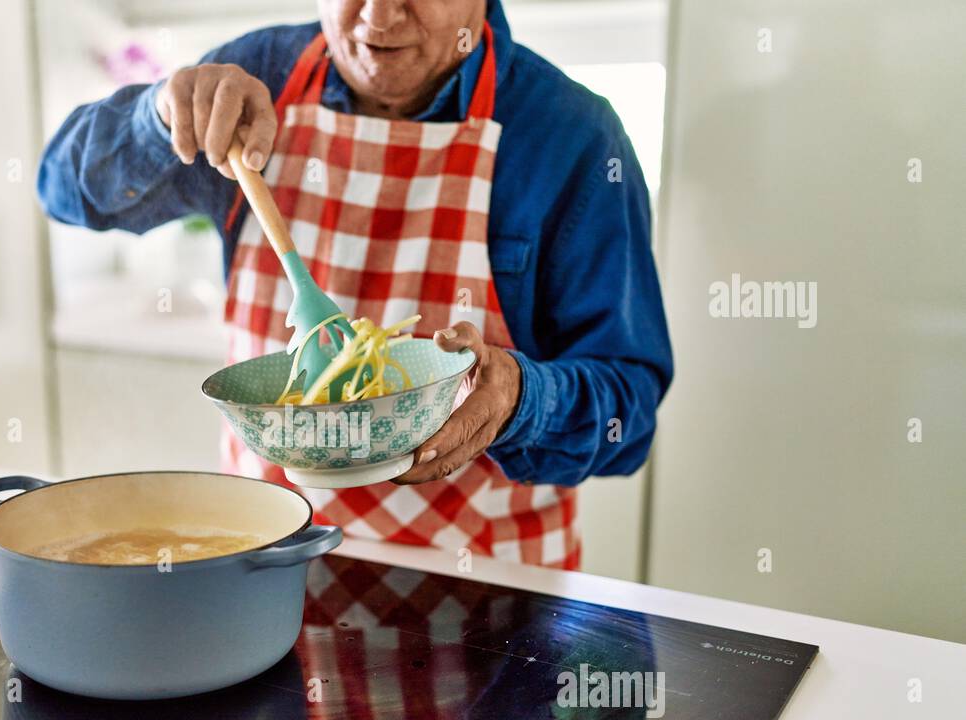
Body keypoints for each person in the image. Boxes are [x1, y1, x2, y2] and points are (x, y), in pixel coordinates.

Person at [38, 0, 673, 568]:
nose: (377, 18)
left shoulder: (573, 137)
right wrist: (154, 119)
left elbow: (631, 410)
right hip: (271, 567)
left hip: (493, 590)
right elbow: (62, 192)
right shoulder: (257, 78)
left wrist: (521, 398)